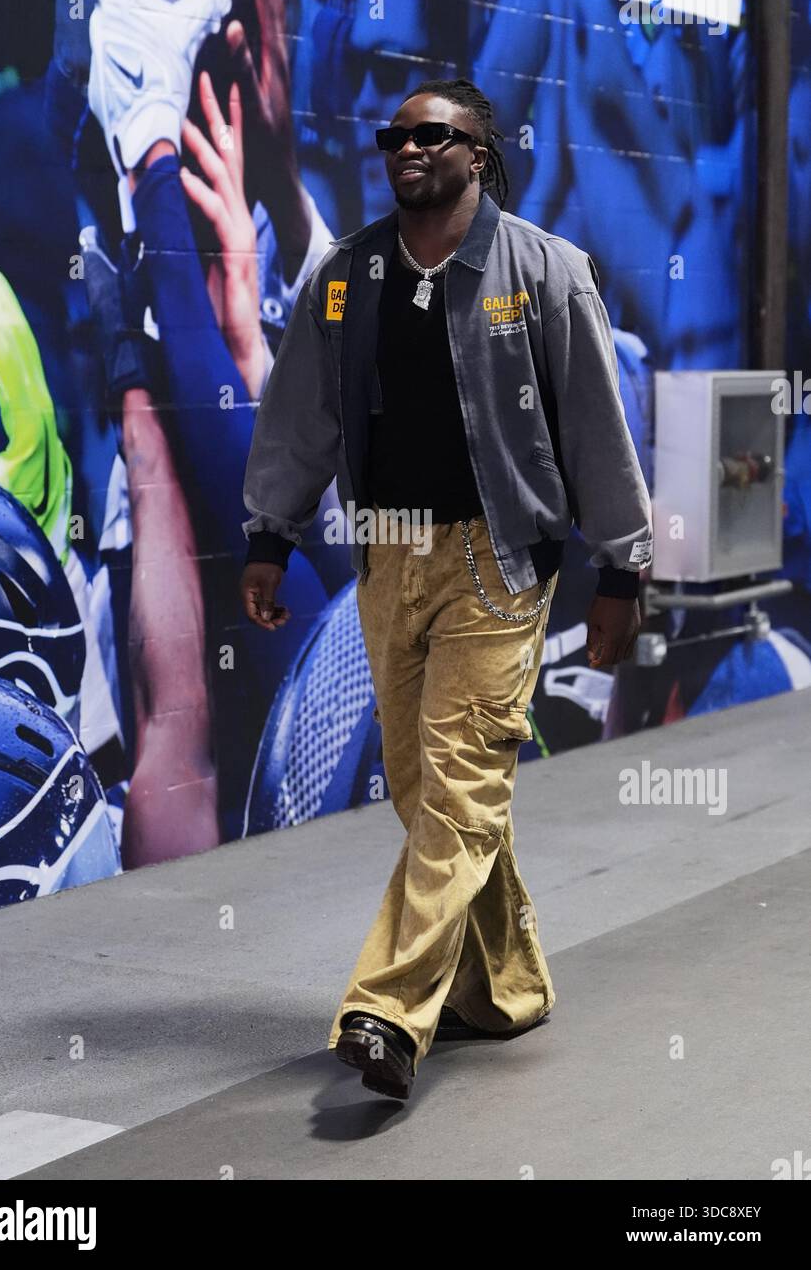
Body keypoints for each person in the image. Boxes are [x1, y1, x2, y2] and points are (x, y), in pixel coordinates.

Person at [239, 76, 653, 1101]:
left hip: (498, 561)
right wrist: (267, 534)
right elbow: (301, 415)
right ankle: (505, 984)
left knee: (460, 777)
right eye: (396, 136)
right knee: (428, 790)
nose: (409, 148)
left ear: (481, 153)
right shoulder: (347, 276)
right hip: (385, 558)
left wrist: (621, 567)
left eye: (435, 134)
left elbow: (595, 427)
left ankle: (386, 1008)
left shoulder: (545, 273)